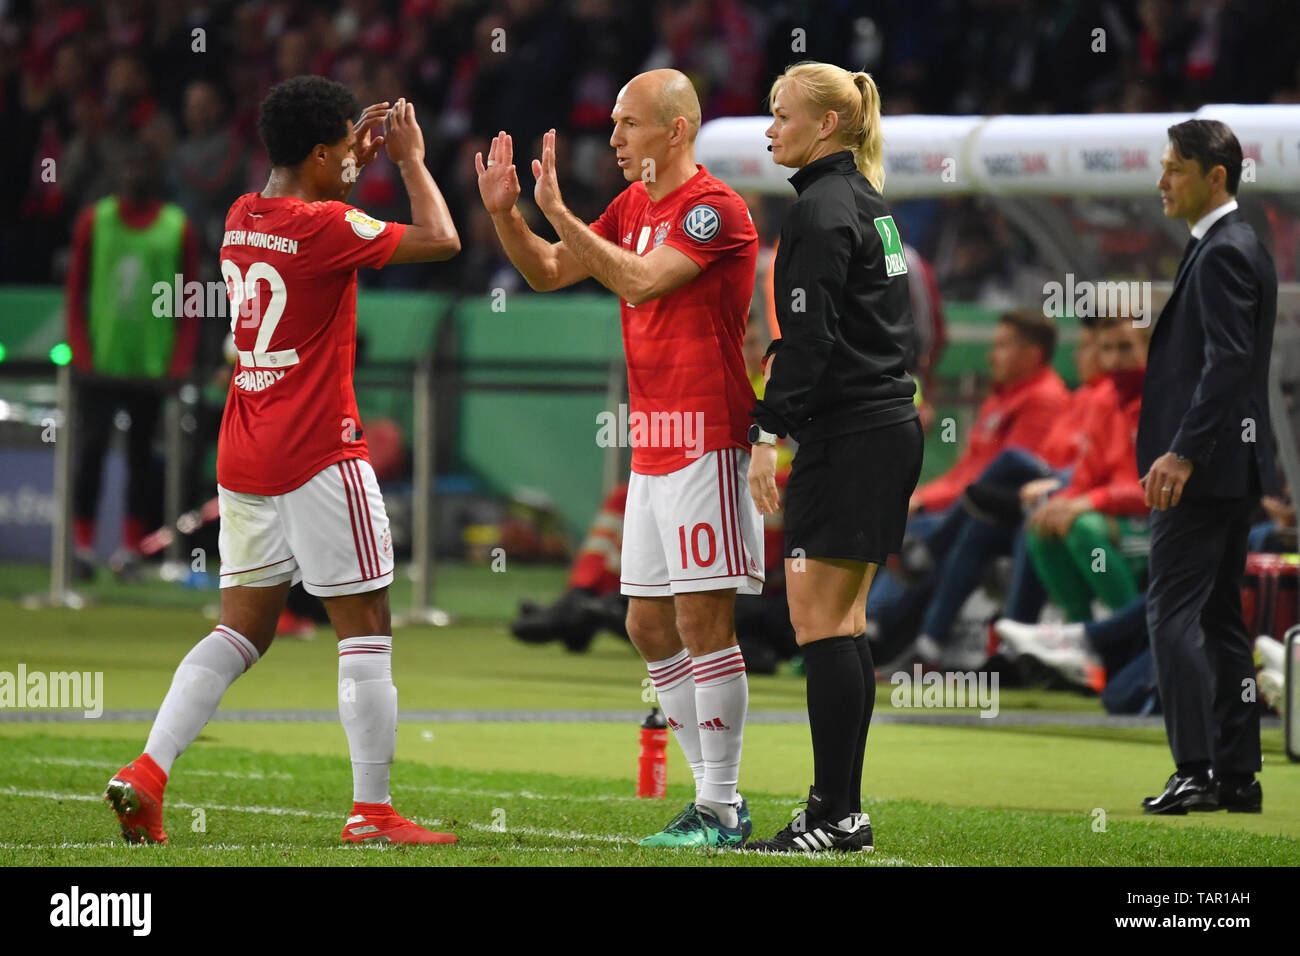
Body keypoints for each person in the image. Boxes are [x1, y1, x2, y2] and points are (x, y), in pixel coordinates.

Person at [104, 77, 461, 846]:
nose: (352, 162)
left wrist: (348, 160)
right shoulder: (327, 223)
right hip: (318, 450)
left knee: (242, 629)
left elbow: (317, 203)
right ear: (322, 152)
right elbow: (442, 238)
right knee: (365, 623)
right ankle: (371, 812)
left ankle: (149, 770)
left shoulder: (242, 215)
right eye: (343, 152)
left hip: (246, 452)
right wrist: (408, 162)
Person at [475, 69, 761, 847]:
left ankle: (722, 807)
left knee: (704, 619)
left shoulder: (714, 211)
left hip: (707, 434)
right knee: (645, 622)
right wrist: (507, 216)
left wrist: (560, 211)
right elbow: (547, 271)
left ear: (676, 130)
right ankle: (712, 802)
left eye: (628, 124)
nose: (612, 138)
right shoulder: (635, 204)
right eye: (611, 124)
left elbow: (638, 279)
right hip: (654, 442)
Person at [744, 62, 922, 853]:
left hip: (851, 435)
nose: (769, 128)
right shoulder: (867, 202)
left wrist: (767, 432)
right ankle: (839, 812)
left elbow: (809, 341)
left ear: (827, 125)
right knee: (841, 624)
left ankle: (833, 813)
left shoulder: (819, 210)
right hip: (884, 428)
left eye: (781, 115)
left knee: (820, 625)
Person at [1138, 118, 1277, 815]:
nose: (1161, 181)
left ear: (1214, 176)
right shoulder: (1233, 244)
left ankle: (1194, 768)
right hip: (1231, 469)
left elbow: (1227, 365)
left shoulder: (1223, 251)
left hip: (1202, 469)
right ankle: (1237, 774)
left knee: (1173, 617)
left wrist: (1182, 452)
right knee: (1221, 621)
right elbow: (1245, 370)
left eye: (1173, 168)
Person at [867, 309, 1069, 664]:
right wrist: (923, 497)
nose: (991, 355)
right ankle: (904, 637)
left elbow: (1008, 478)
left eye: (1003, 346)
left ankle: (877, 626)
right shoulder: (1000, 398)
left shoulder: (1043, 400)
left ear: (1032, 353)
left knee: (933, 531)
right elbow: (968, 472)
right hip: (976, 510)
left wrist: (927, 503)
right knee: (940, 526)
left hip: (1016, 513)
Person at [65, 140, 200, 580]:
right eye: (129, 165)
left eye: (143, 166)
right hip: (102, 363)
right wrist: (82, 353)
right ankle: (82, 548)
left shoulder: (177, 227)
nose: (134, 175)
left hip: (152, 368)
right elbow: (75, 292)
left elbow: (191, 300)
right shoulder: (95, 221)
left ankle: (130, 551)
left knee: (143, 461)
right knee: (91, 454)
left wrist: (179, 363)